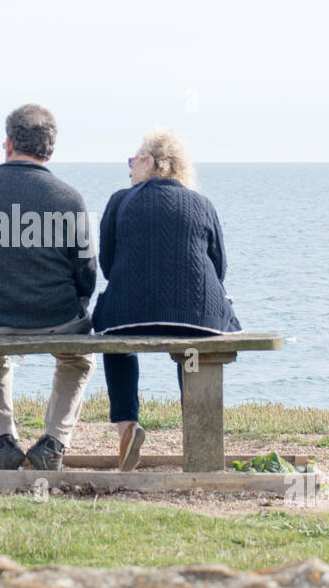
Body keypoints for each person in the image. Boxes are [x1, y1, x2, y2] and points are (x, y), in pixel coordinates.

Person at [0, 104, 97, 470]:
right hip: (56, 317)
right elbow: (87, 274)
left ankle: (4, 439)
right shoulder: (70, 198)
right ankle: (54, 442)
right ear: (50, 150)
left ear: (8, 144)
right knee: (79, 358)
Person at [92, 129, 240, 470]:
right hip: (197, 319)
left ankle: (127, 425)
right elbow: (219, 268)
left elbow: (108, 265)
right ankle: (196, 428)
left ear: (149, 161)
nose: (129, 170)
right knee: (191, 350)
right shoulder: (202, 203)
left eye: (132, 161)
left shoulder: (120, 200)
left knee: (116, 341)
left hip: (128, 317)